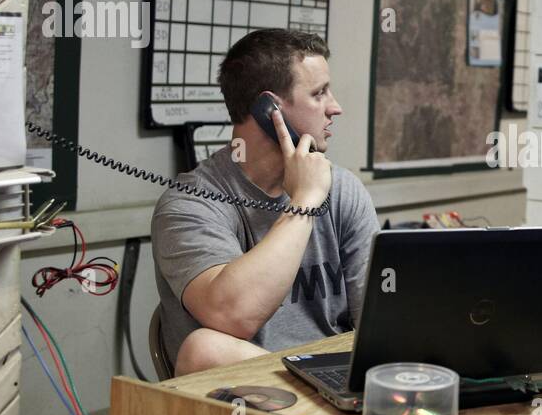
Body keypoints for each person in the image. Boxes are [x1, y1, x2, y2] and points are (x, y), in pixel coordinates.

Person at [151, 29, 379, 376]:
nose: (336, 108)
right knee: (205, 349)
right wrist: (304, 202)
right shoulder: (188, 205)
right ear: (267, 109)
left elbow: (378, 322)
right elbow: (234, 315)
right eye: (319, 94)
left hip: (338, 381)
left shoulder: (343, 190)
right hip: (253, 392)